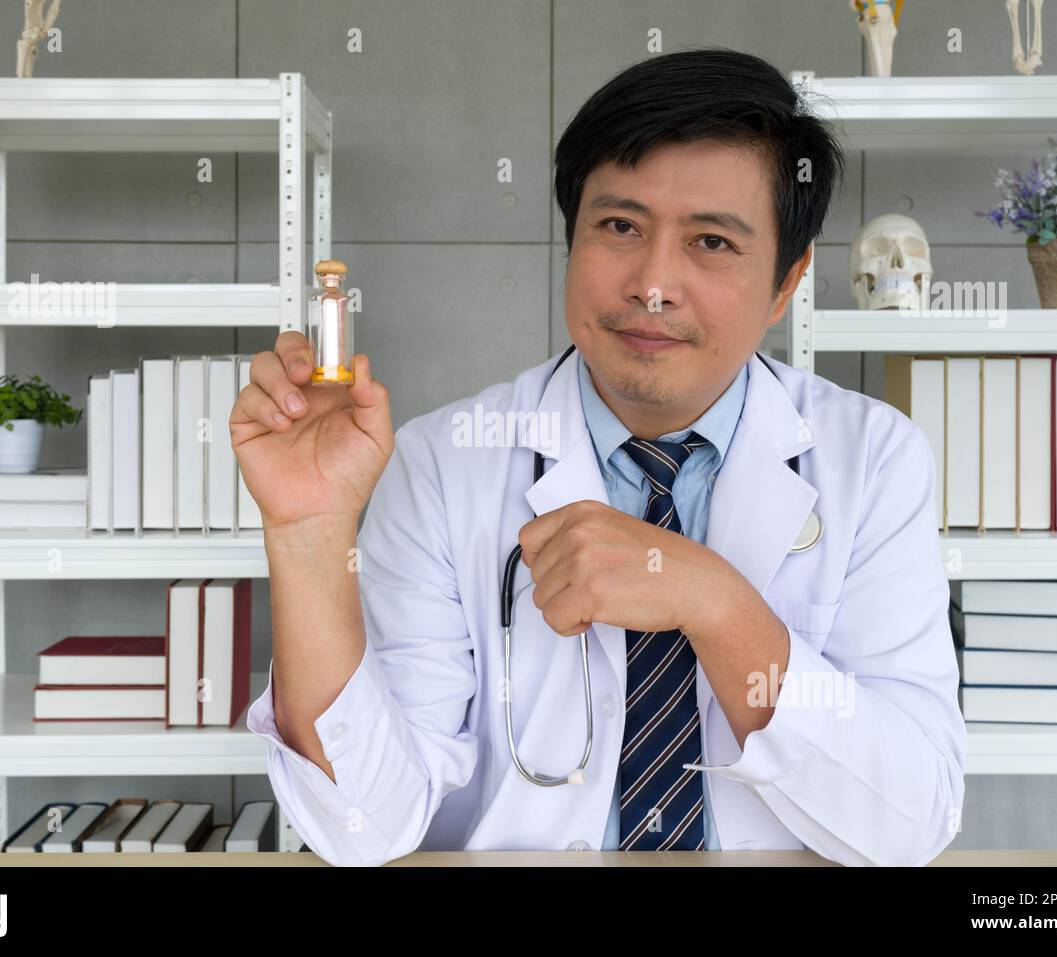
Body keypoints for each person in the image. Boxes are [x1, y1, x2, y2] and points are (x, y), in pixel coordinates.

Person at [231, 48, 965, 867]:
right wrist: (307, 532)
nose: (652, 285)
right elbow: (364, 826)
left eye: (712, 241)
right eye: (620, 227)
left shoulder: (873, 460)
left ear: (787, 282)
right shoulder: (442, 464)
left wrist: (716, 603)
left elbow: (911, 821)